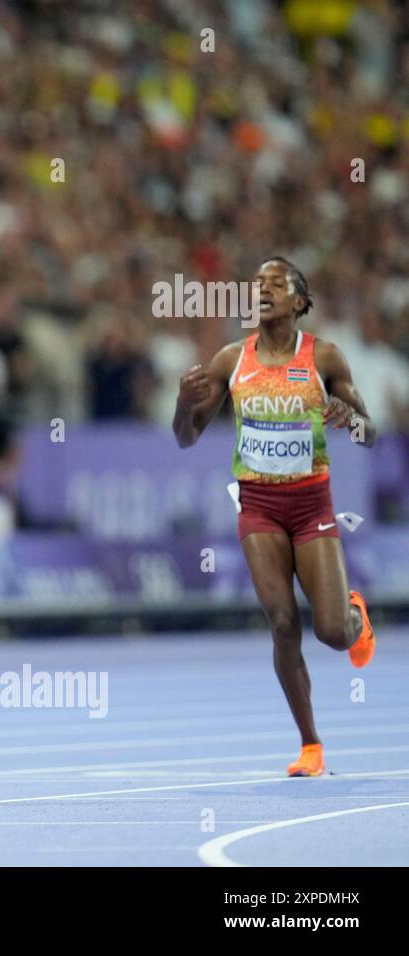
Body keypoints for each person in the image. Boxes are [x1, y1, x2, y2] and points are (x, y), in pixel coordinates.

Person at [173, 257, 377, 777]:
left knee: (331, 632)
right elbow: (186, 436)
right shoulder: (230, 360)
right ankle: (310, 746)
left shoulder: (324, 357)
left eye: (275, 284)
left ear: (299, 301)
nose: (263, 291)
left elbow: (370, 432)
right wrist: (181, 404)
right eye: (256, 284)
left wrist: (350, 417)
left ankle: (356, 617)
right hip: (259, 505)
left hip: (312, 506)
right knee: (283, 622)